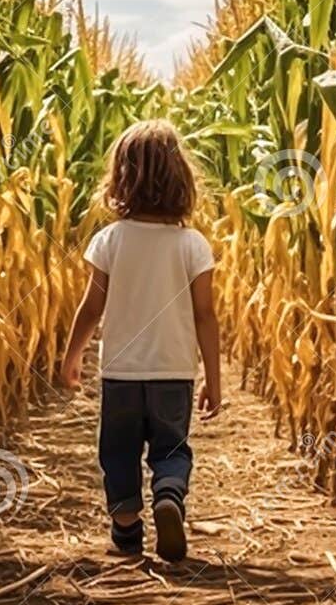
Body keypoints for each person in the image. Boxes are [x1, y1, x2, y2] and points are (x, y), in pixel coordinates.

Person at [59, 120, 222, 562]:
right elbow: (206, 316)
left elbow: (91, 308)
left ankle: (127, 533)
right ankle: (169, 497)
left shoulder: (109, 240)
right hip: (173, 374)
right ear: (182, 180)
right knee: (171, 448)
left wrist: (72, 356)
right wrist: (213, 378)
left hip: (121, 375)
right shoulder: (193, 244)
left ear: (120, 179)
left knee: (118, 454)